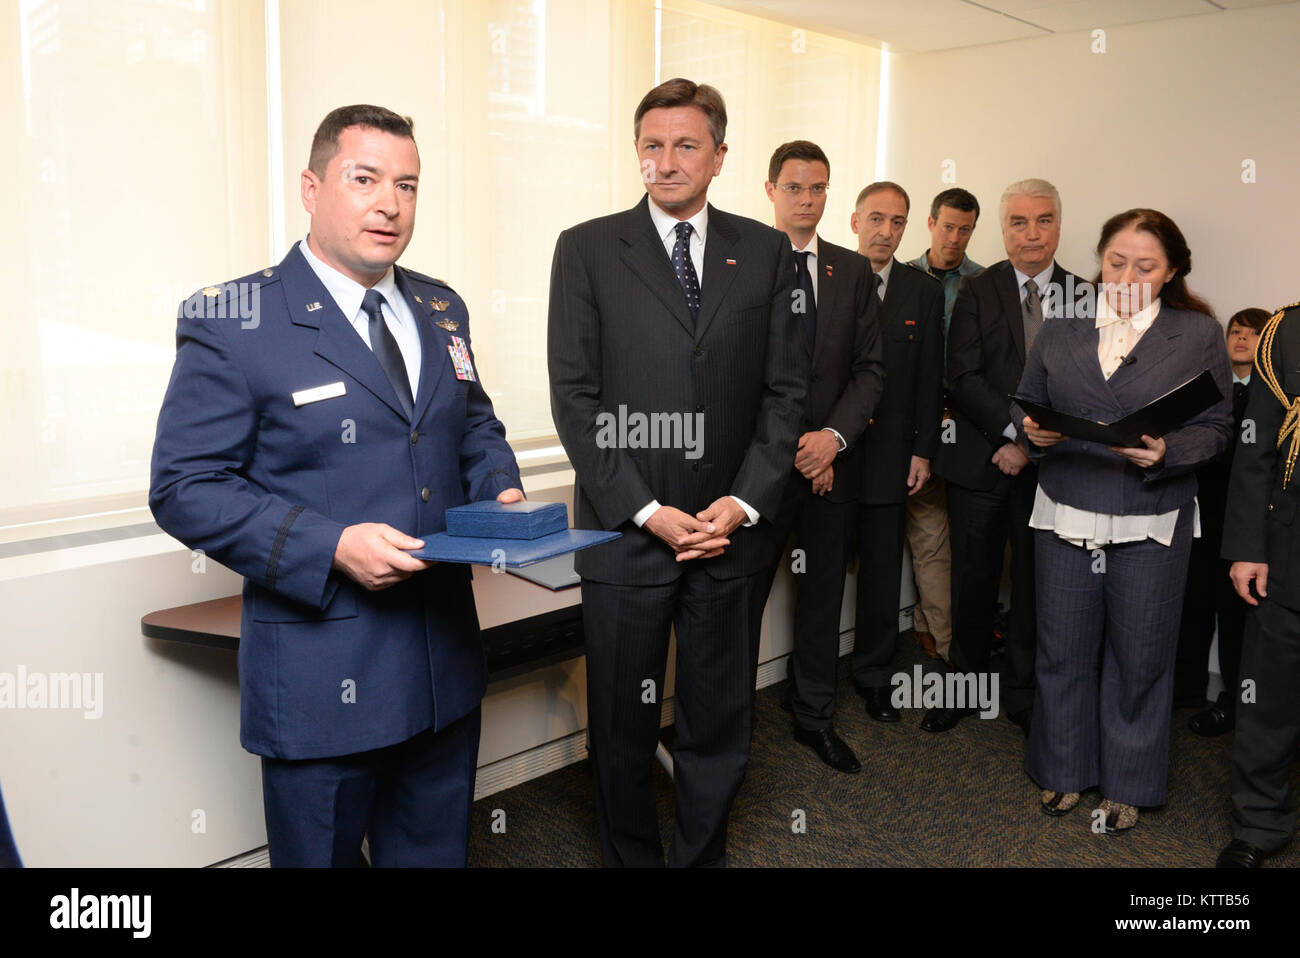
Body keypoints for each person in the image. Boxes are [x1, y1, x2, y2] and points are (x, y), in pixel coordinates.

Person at [150, 105, 524, 867]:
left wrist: (499, 489)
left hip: (440, 668)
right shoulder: (234, 319)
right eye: (366, 179)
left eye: (409, 185)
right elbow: (184, 485)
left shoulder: (440, 306)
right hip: (324, 680)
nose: (391, 203)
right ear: (311, 188)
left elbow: (472, 423)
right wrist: (331, 546)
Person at [547, 79, 805, 867]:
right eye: (651, 145)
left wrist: (744, 501)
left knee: (717, 721)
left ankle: (700, 858)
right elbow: (575, 396)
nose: (665, 161)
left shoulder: (765, 251)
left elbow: (787, 391)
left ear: (720, 156)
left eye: (685, 145)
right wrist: (646, 509)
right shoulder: (587, 247)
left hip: (730, 536)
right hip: (629, 537)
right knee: (623, 727)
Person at [1019, 208, 1232, 832]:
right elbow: (1027, 408)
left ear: (1171, 273)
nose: (1127, 276)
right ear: (1100, 259)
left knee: (1139, 656)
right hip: (1066, 505)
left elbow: (1218, 429)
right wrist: (1033, 433)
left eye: (1146, 266)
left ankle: (1128, 781)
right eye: (1116, 262)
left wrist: (1170, 452)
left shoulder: (1197, 334)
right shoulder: (1060, 328)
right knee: (1063, 650)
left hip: (1151, 513)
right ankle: (1062, 768)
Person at [927, 178, 1083, 736]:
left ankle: (1023, 693)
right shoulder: (976, 289)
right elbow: (961, 375)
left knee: (1039, 585)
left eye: (1043, 220)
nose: (1032, 233)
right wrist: (1015, 434)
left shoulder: (1085, 295)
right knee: (973, 580)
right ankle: (964, 689)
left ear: (1059, 225)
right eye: (1019, 222)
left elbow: (1088, 385)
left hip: (1055, 469)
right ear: (1003, 229)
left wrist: (1037, 442)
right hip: (982, 462)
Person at [750, 141, 885, 773]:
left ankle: (813, 717)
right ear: (770, 189)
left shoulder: (852, 273)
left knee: (822, 597)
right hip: (756, 474)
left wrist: (831, 439)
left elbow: (869, 370)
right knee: (738, 603)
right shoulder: (740, 262)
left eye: (819, 189)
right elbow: (728, 374)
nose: (807, 200)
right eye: (795, 188)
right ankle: (729, 724)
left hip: (831, 467)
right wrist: (793, 449)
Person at [848, 182, 944, 718]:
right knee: (815, 574)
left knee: (883, 573)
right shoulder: (828, 277)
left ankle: (874, 674)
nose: (886, 231)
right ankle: (807, 679)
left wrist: (923, 450)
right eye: (877, 218)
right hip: (829, 457)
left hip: (891, 455)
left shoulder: (922, 292)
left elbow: (931, 380)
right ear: (856, 220)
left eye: (898, 221)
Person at [1217, 300, 1300, 867]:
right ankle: (1260, 822)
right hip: (1288, 547)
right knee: (1268, 696)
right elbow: (1255, 451)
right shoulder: (1285, 332)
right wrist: (1248, 547)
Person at [1174, 307, 1268, 733]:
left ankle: (1232, 704)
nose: (1241, 339)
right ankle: (1185, 690)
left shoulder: (1274, 397)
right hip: (1197, 518)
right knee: (1191, 607)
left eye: (1252, 333)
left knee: (1235, 621)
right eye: (1235, 331)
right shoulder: (1204, 389)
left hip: (1244, 529)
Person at [905, 187, 984, 661]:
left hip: (968, 423)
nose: (955, 238)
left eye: (965, 229)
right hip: (915, 421)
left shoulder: (983, 282)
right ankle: (944, 637)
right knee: (929, 533)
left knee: (963, 537)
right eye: (948, 226)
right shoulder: (905, 277)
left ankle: (939, 629)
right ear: (931, 223)